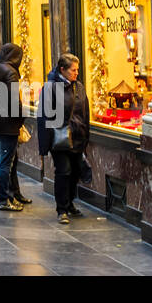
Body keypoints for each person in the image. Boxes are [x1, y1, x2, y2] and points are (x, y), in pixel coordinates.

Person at [38, 53, 90, 224]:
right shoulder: (51, 88)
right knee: (64, 170)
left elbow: (85, 112)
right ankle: (62, 209)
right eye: (73, 70)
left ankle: (70, 203)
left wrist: (85, 134)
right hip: (59, 138)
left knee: (75, 171)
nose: (76, 73)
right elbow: (44, 117)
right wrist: (45, 144)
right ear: (62, 70)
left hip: (77, 136)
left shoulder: (79, 86)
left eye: (77, 70)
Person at [0, 42, 26, 212]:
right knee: (5, 163)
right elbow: (14, 101)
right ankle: (3, 199)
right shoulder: (11, 72)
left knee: (4, 160)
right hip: (8, 124)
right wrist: (20, 121)